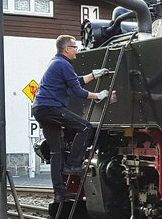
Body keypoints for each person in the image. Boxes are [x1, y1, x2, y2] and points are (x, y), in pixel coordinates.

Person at [32, 35, 109, 201]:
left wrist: (94, 75)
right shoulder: (63, 64)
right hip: (51, 107)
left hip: (40, 108)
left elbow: (76, 81)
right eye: (74, 47)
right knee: (85, 127)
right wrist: (99, 95)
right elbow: (79, 92)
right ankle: (73, 164)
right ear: (66, 49)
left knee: (55, 151)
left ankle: (60, 193)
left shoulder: (57, 63)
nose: (77, 50)